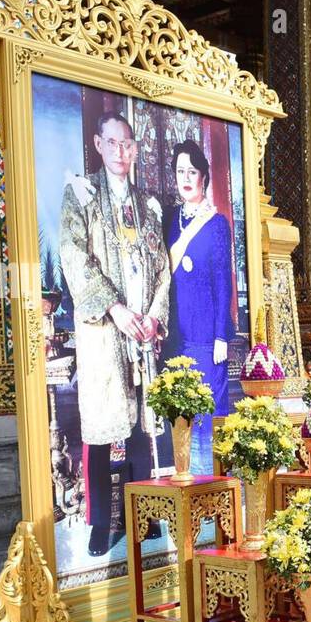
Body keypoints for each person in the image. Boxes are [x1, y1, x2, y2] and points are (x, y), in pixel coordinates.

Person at [60, 110, 171, 557]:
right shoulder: (81, 194)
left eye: (128, 144)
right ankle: (101, 522)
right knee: (104, 430)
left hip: (142, 333)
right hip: (104, 331)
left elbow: (161, 268)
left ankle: (145, 519)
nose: (121, 151)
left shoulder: (148, 205)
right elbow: (73, 255)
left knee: (145, 429)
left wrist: (153, 316)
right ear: (98, 144)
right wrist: (115, 307)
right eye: (113, 142)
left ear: (135, 148)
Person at [162, 139, 234, 476]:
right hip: (178, 337)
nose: (186, 177)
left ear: (203, 176)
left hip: (207, 339)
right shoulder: (170, 220)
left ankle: (212, 485)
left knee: (209, 413)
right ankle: (186, 484)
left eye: (192, 171)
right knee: (181, 415)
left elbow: (223, 281)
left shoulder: (216, 224)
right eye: (180, 171)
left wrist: (222, 335)